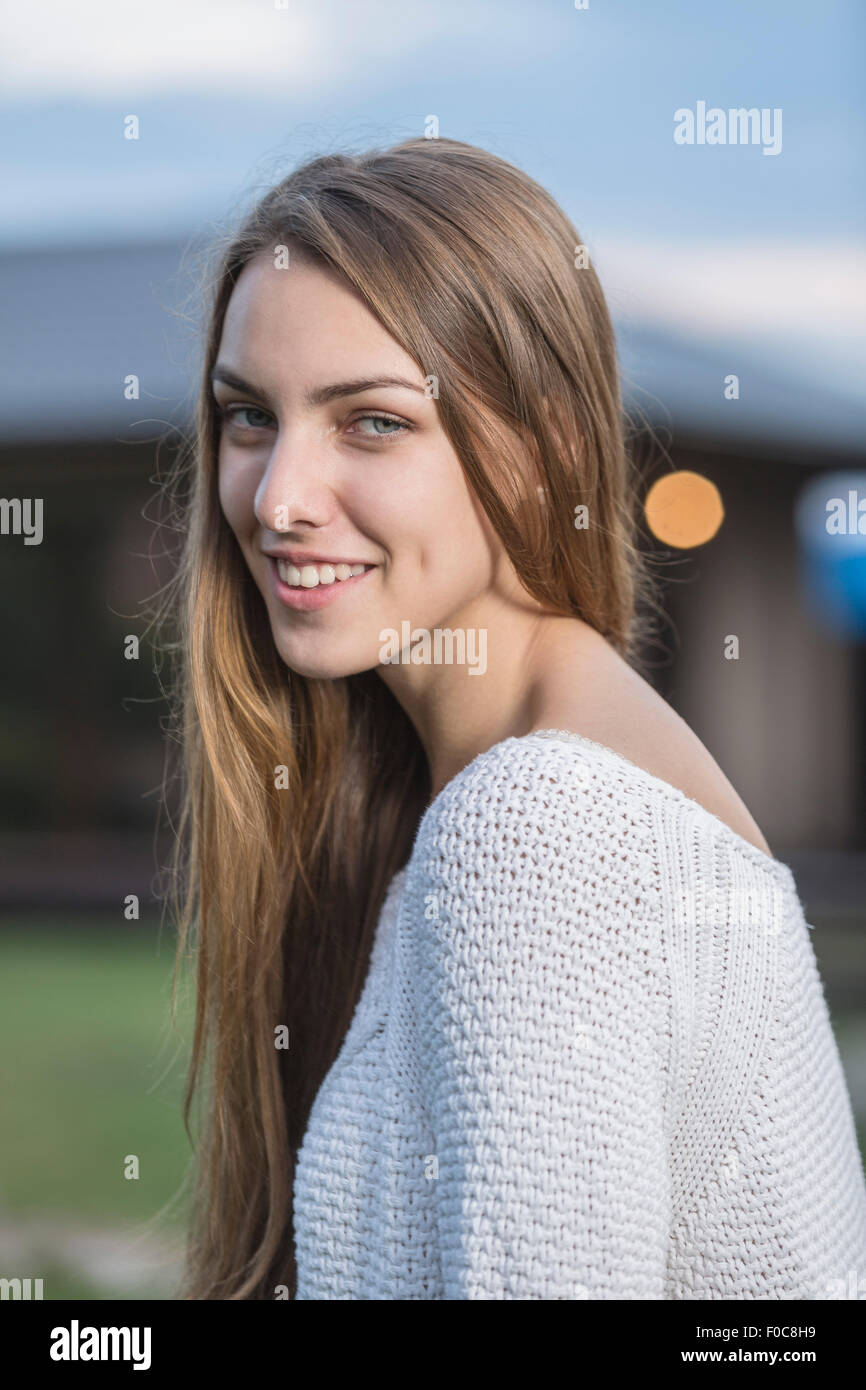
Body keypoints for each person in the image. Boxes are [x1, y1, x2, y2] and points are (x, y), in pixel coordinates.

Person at [161, 136, 866, 1299]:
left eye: (371, 421)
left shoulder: (540, 827)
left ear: (538, 448)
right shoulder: (486, 779)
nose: (278, 497)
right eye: (249, 416)